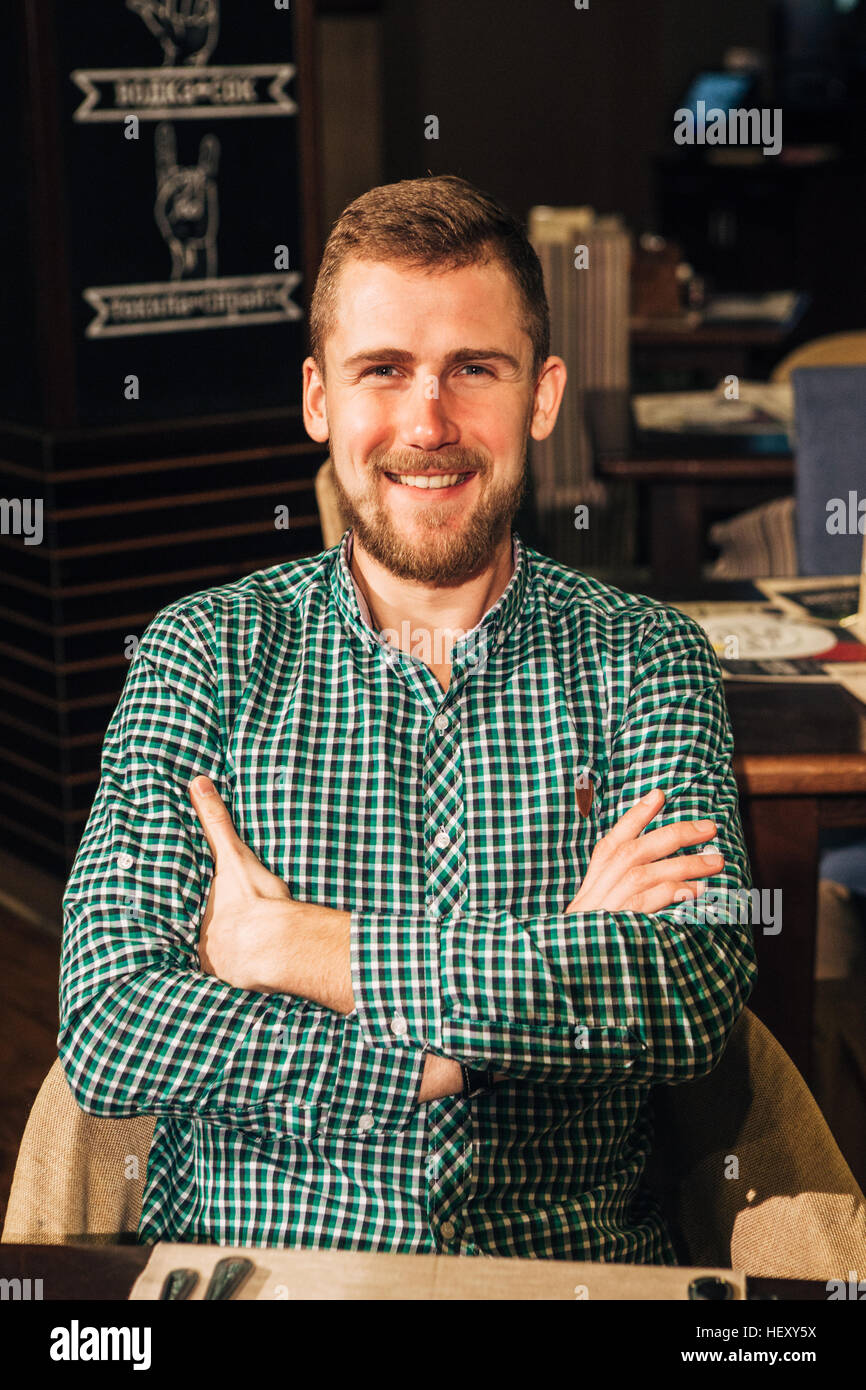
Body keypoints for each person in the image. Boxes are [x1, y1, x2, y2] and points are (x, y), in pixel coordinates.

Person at [58, 174, 756, 1261]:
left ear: (541, 393)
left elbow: (683, 991)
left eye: (473, 369)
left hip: (567, 1275)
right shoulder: (200, 653)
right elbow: (113, 1024)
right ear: (318, 399)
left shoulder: (648, 657)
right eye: (381, 370)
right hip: (262, 1266)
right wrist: (466, 1042)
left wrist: (299, 946)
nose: (427, 423)